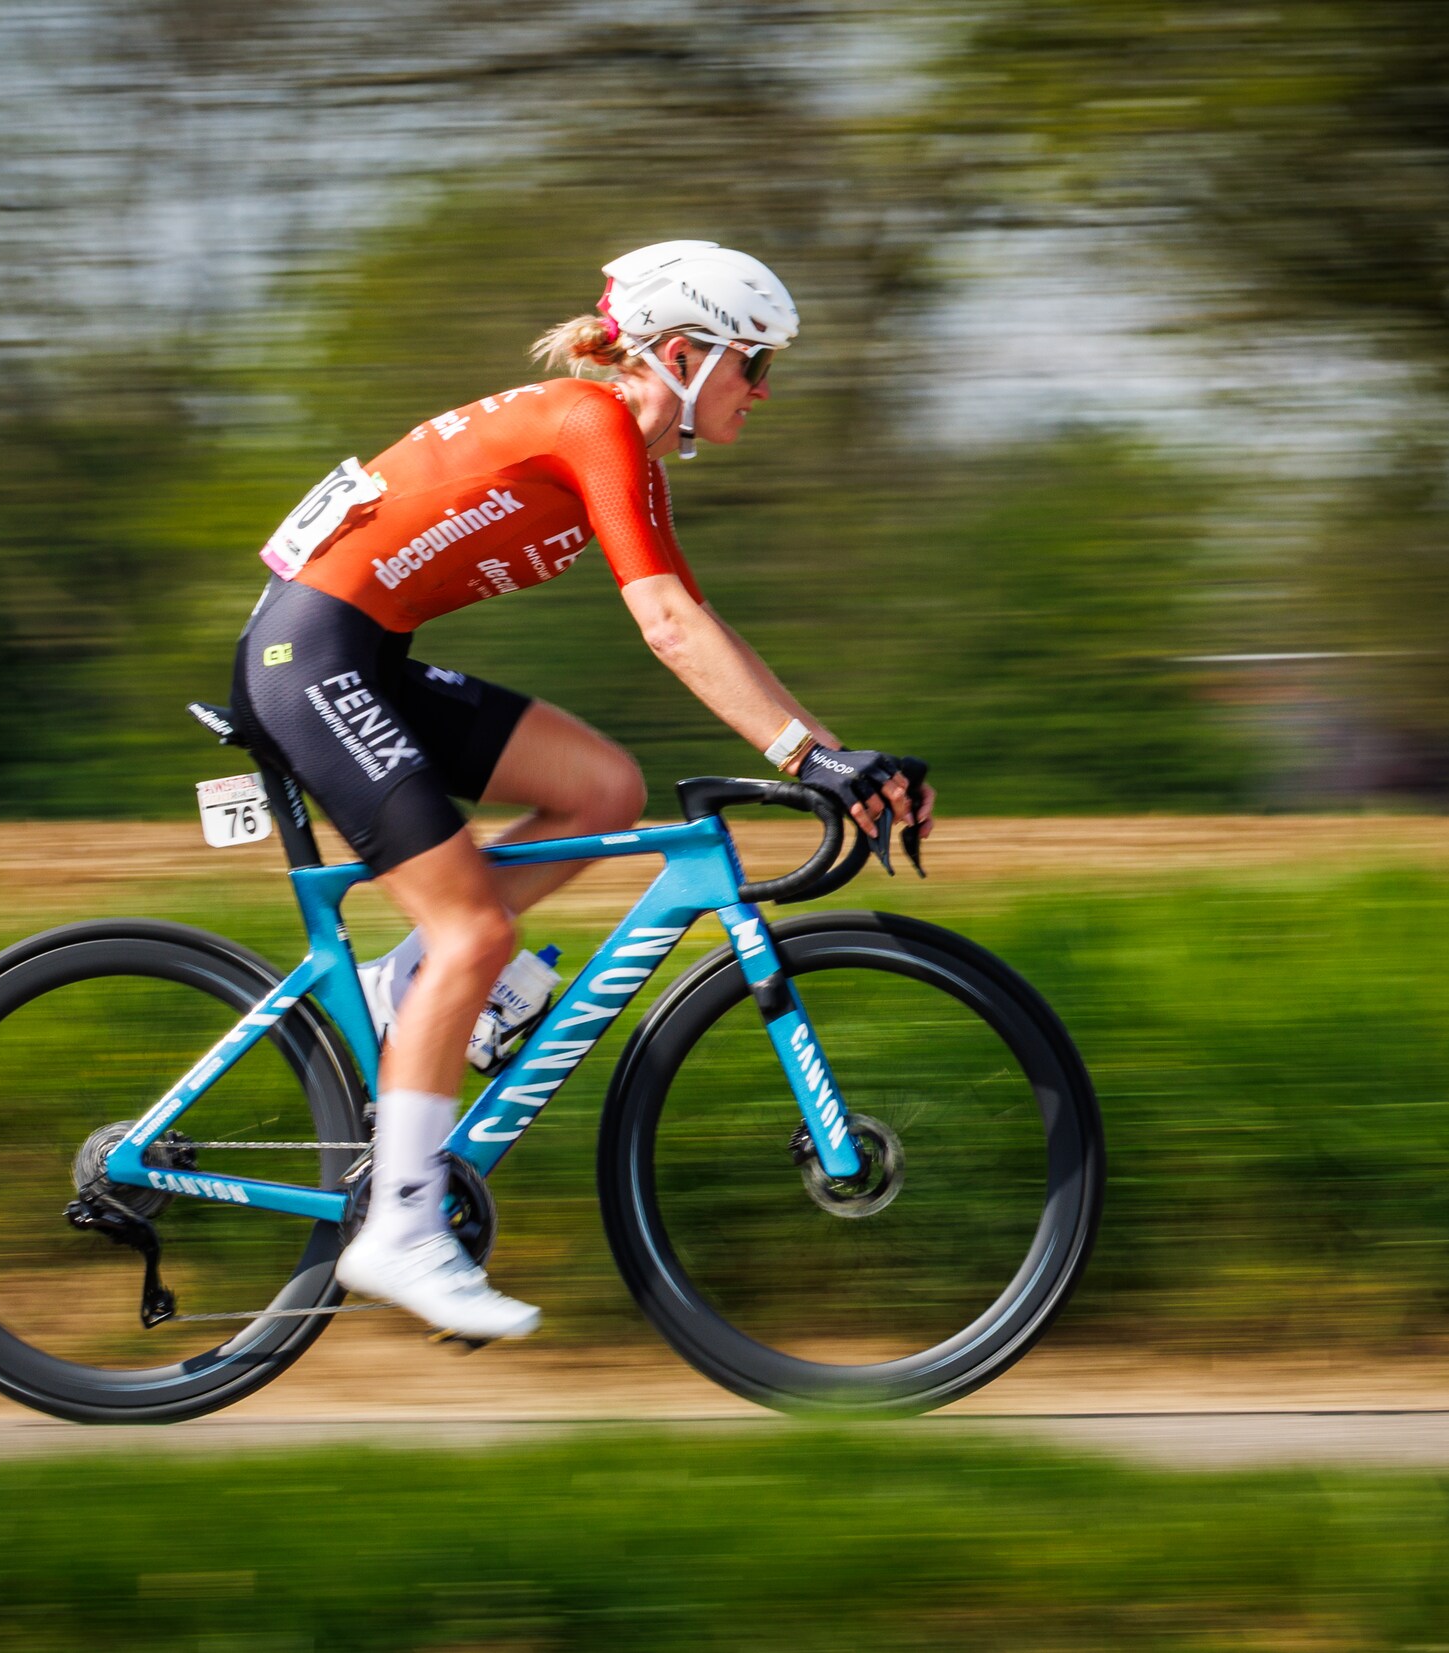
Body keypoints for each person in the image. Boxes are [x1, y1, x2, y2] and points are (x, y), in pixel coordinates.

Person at [229, 241, 934, 1341]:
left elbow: (699, 628)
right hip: (310, 662)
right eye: (757, 366)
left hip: (358, 657)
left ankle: (409, 988)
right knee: (471, 936)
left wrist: (831, 753)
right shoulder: (591, 424)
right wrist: (810, 759)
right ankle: (399, 1231)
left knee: (603, 786)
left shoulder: (620, 453)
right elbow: (664, 628)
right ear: (687, 353)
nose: (763, 392)